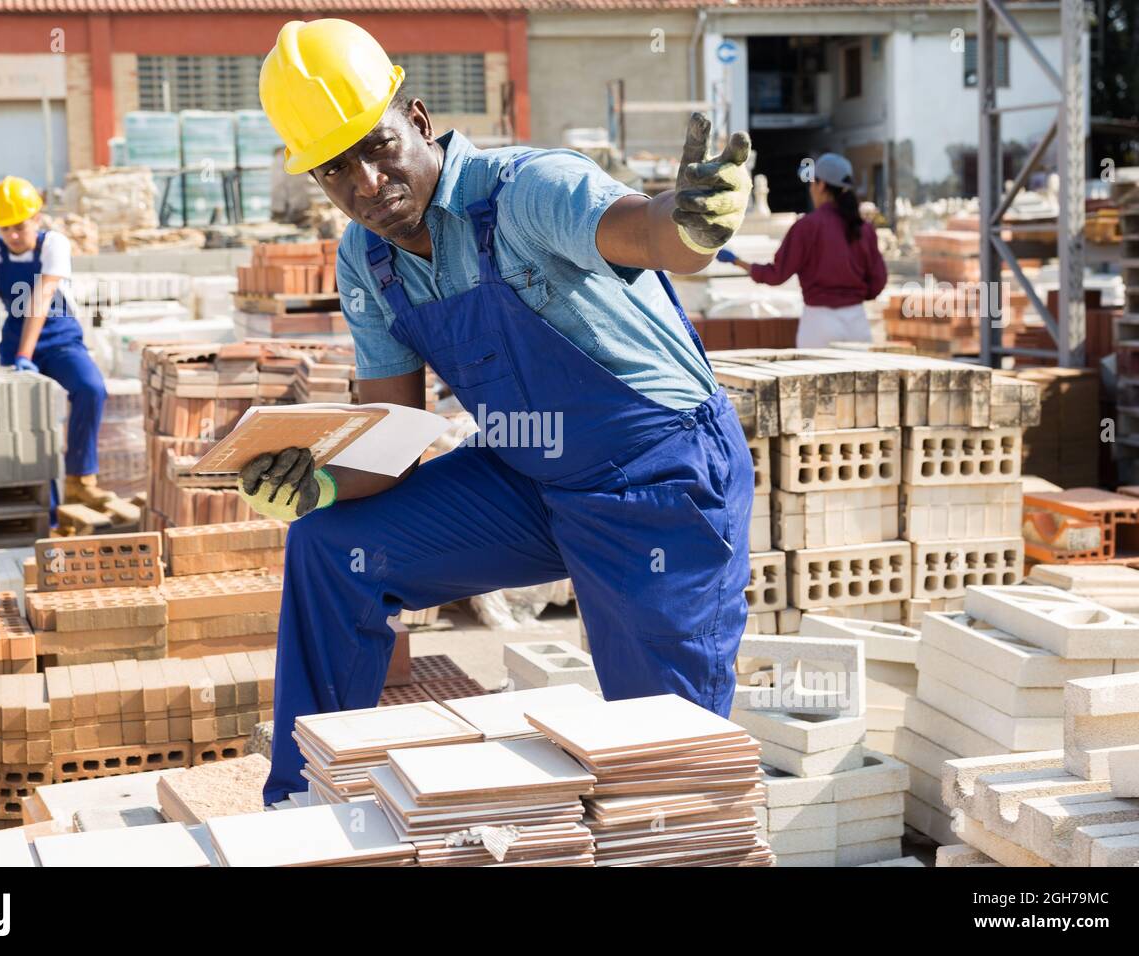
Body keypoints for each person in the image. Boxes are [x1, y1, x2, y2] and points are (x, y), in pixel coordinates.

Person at [248, 19, 757, 803]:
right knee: (329, 548)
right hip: (531, 483)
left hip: (658, 480)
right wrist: (315, 483)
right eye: (334, 170)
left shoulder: (526, 189)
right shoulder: (368, 259)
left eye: (377, 147)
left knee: (662, 761)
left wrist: (692, 221)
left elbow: (649, 233)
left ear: (418, 119)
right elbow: (392, 440)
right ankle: (305, 804)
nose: (367, 184)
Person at [0, 176, 108, 507]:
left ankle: (80, 478)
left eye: (19, 226)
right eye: (4, 230)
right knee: (22, 418)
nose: (13, 236)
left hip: (59, 342)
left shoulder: (54, 244)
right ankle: (30, 492)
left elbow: (41, 298)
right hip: (16, 343)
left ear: (37, 219)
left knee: (91, 389)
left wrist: (26, 356)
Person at [724, 153, 886, 348]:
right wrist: (853, 296)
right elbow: (878, 280)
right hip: (858, 324)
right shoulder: (863, 228)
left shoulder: (807, 227)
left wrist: (736, 261)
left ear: (821, 186)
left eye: (812, 183)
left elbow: (776, 275)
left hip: (820, 325)